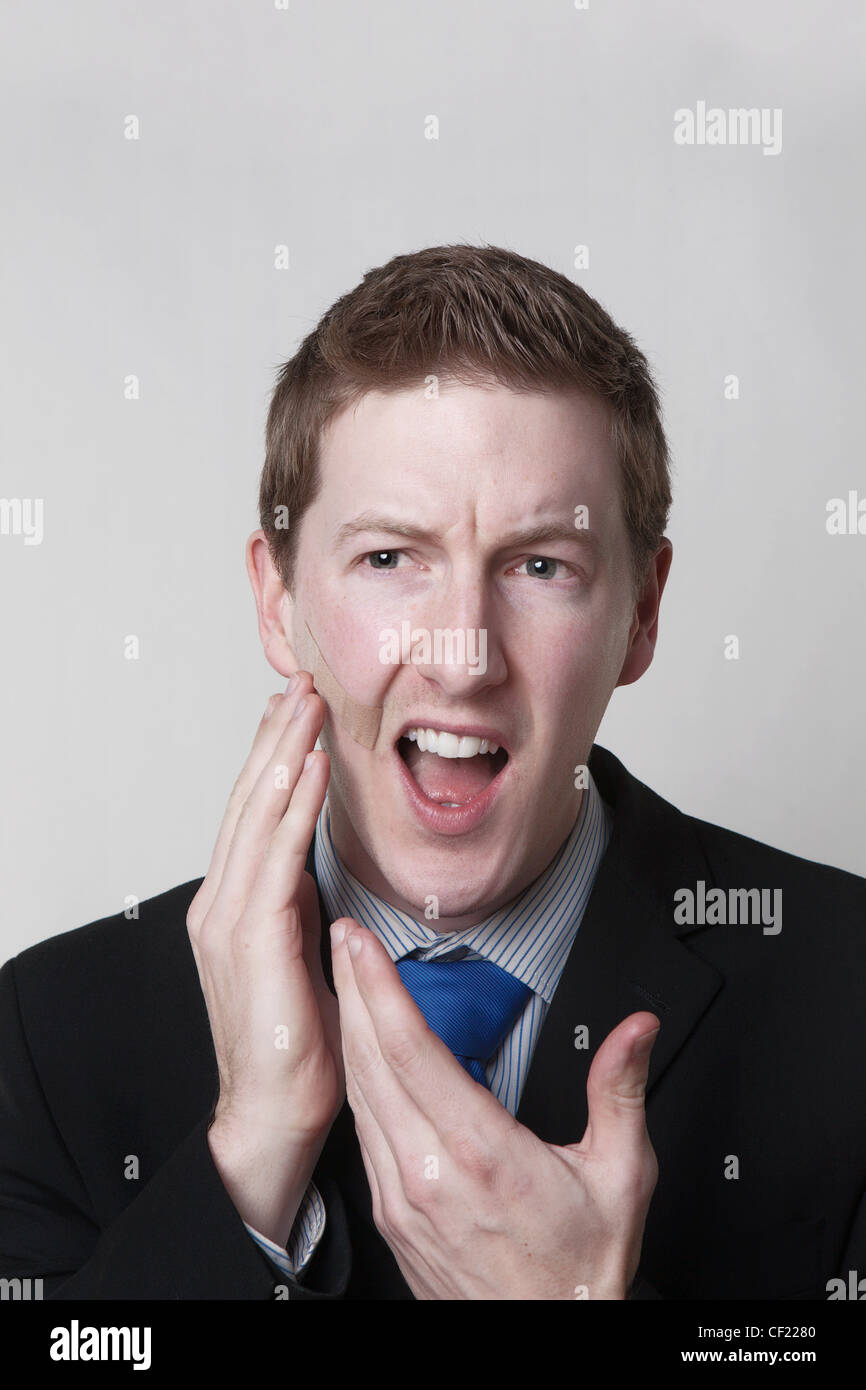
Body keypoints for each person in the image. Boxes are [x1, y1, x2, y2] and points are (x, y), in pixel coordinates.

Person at [1, 245, 863, 1301]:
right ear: (278, 602)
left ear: (639, 613)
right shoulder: (45, 1039)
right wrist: (251, 1153)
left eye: (539, 564)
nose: (462, 654)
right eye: (388, 559)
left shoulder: (845, 1001)